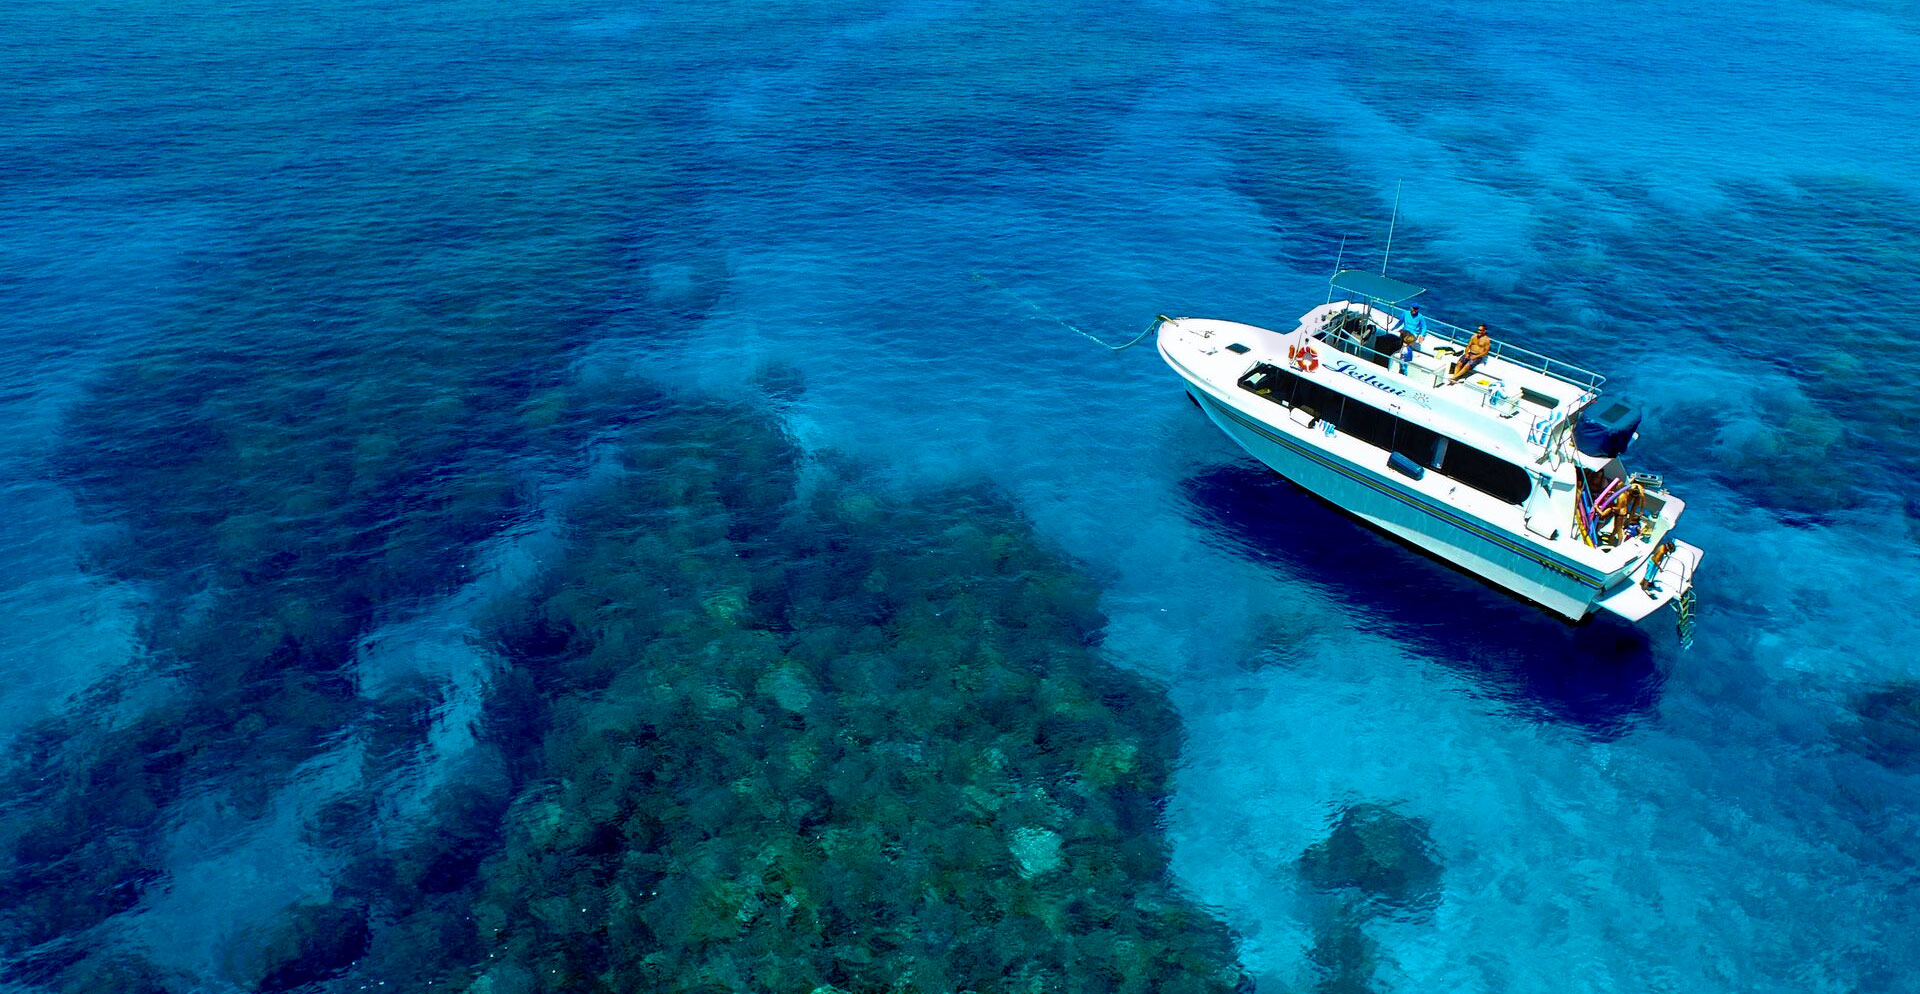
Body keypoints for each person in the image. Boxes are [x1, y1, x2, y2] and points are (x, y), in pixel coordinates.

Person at [1396, 305, 1427, 374]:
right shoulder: (1405, 313)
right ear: (1411, 308)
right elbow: (1400, 322)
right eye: (1414, 309)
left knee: (1406, 347)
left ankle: (1403, 367)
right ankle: (1403, 366)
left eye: (1416, 309)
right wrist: (1394, 328)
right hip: (1405, 332)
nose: (1414, 310)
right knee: (1405, 348)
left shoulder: (1420, 317)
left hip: (1413, 334)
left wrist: (1421, 335)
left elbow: (1424, 327)